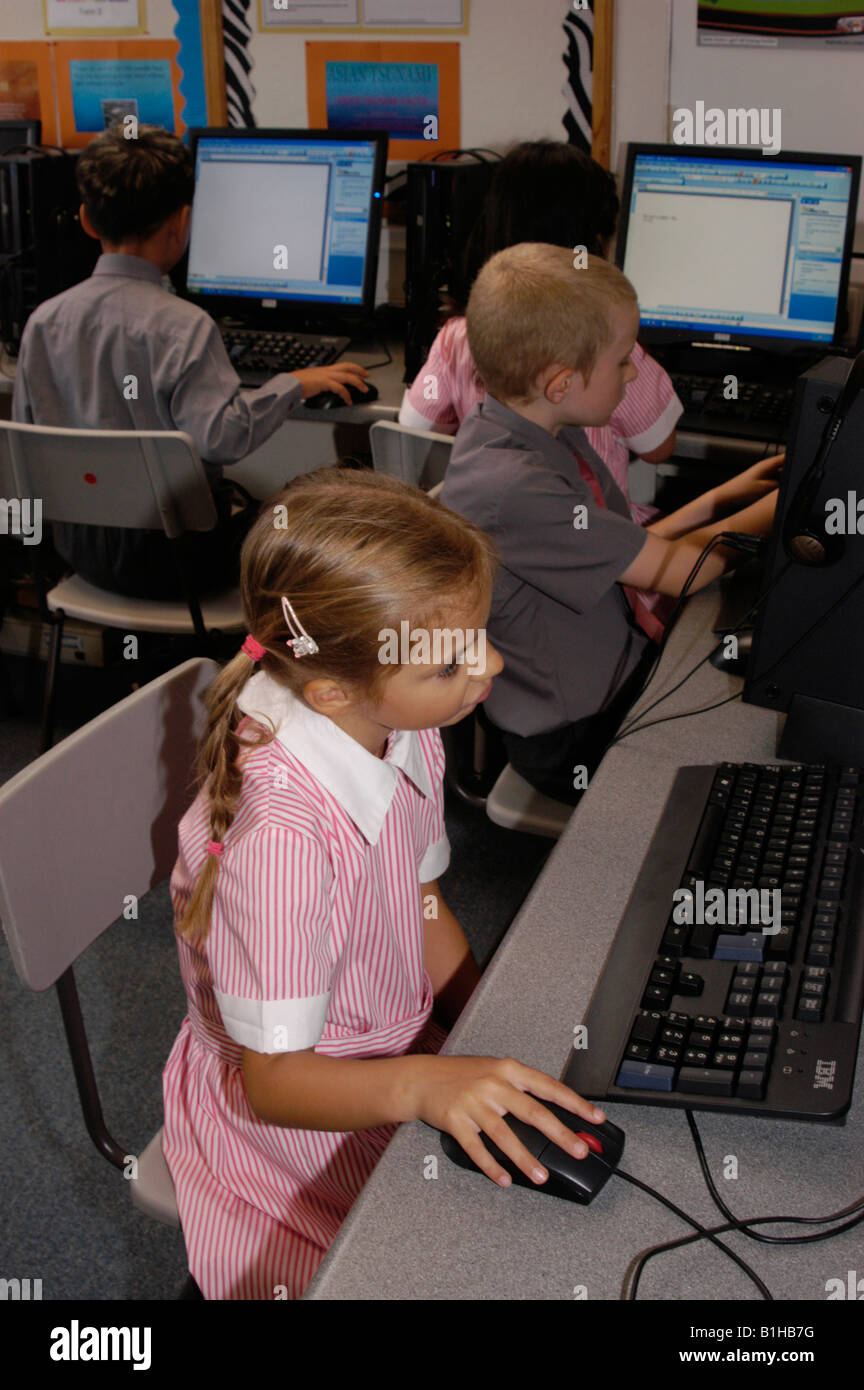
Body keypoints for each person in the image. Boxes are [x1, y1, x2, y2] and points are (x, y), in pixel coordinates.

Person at [162, 467, 607, 1300]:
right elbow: (276, 1082)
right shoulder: (281, 842)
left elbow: (421, 902)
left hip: (380, 1048)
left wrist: (480, 1021)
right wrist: (425, 1084)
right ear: (334, 689)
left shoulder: (398, 724)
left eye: (480, 635)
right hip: (296, 1106)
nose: (491, 665)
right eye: (450, 664)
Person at [441, 244, 781, 805]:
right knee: (752, 746)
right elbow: (681, 573)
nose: (633, 371)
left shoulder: (542, 431)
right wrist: (787, 508)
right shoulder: (516, 486)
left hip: (613, 680)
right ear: (561, 383)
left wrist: (730, 495)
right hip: (572, 737)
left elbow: (633, 548)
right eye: (623, 360)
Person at [12, 125, 371, 600]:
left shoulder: (44, 322)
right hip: (178, 565)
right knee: (301, 511)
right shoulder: (185, 326)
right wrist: (294, 383)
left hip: (80, 554)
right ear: (182, 222)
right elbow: (223, 438)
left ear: (87, 221)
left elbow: (26, 447)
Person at [400, 140, 682, 532]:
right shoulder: (608, 347)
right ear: (591, 243)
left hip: (497, 539)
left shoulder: (456, 336)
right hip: (591, 541)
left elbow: (411, 428)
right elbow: (659, 447)